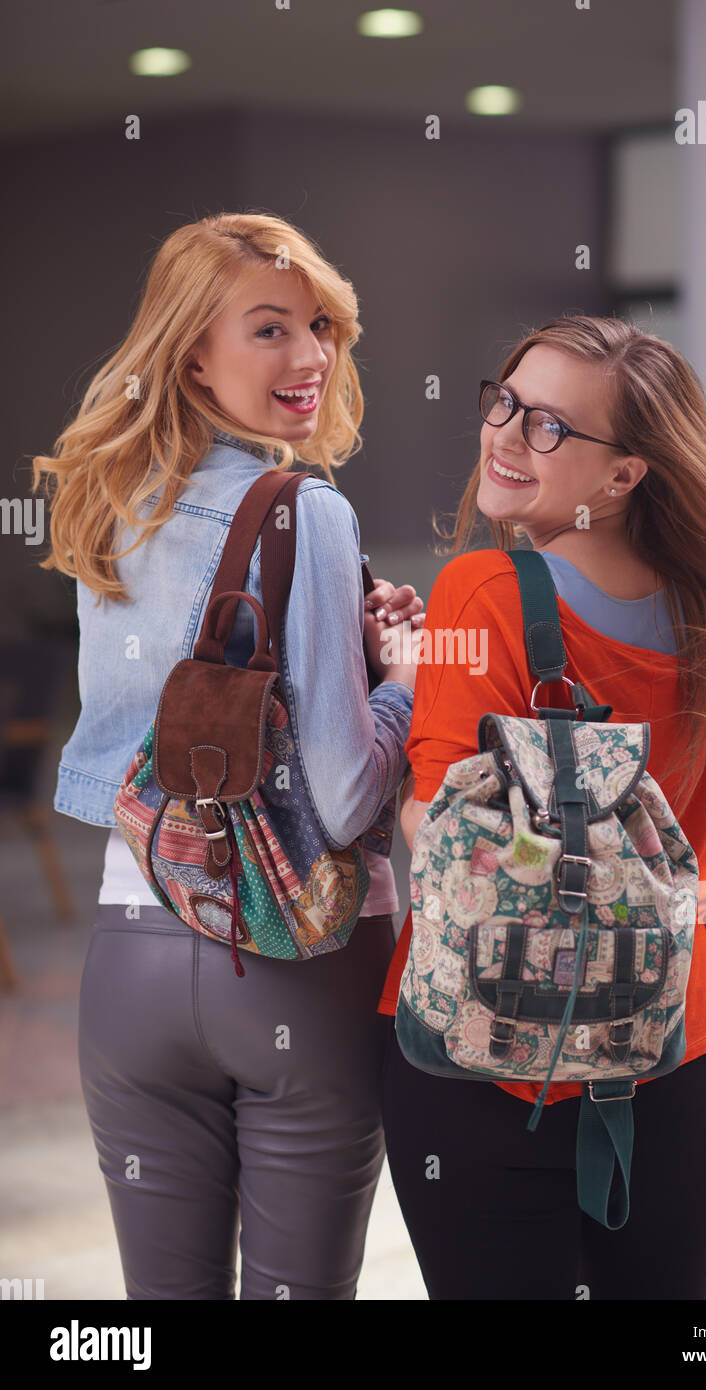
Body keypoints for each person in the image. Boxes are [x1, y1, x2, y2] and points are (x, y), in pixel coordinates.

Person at [378, 314, 706, 1301]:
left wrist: (404, 683)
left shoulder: (483, 590)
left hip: (480, 1061)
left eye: (550, 425)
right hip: (674, 1058)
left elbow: (442, 843)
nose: (506, 436)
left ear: (624, 475)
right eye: (504, 402)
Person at [32, 211, 424, 1300]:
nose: (308, 358)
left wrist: (343, 639)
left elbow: (133, 744)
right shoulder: (310, 510)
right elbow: (344, 794)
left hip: (130, 970)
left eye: (320, 326)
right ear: (192, 351)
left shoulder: (109, 498)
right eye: (269, 329)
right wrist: (402, 683)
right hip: (299, 959)